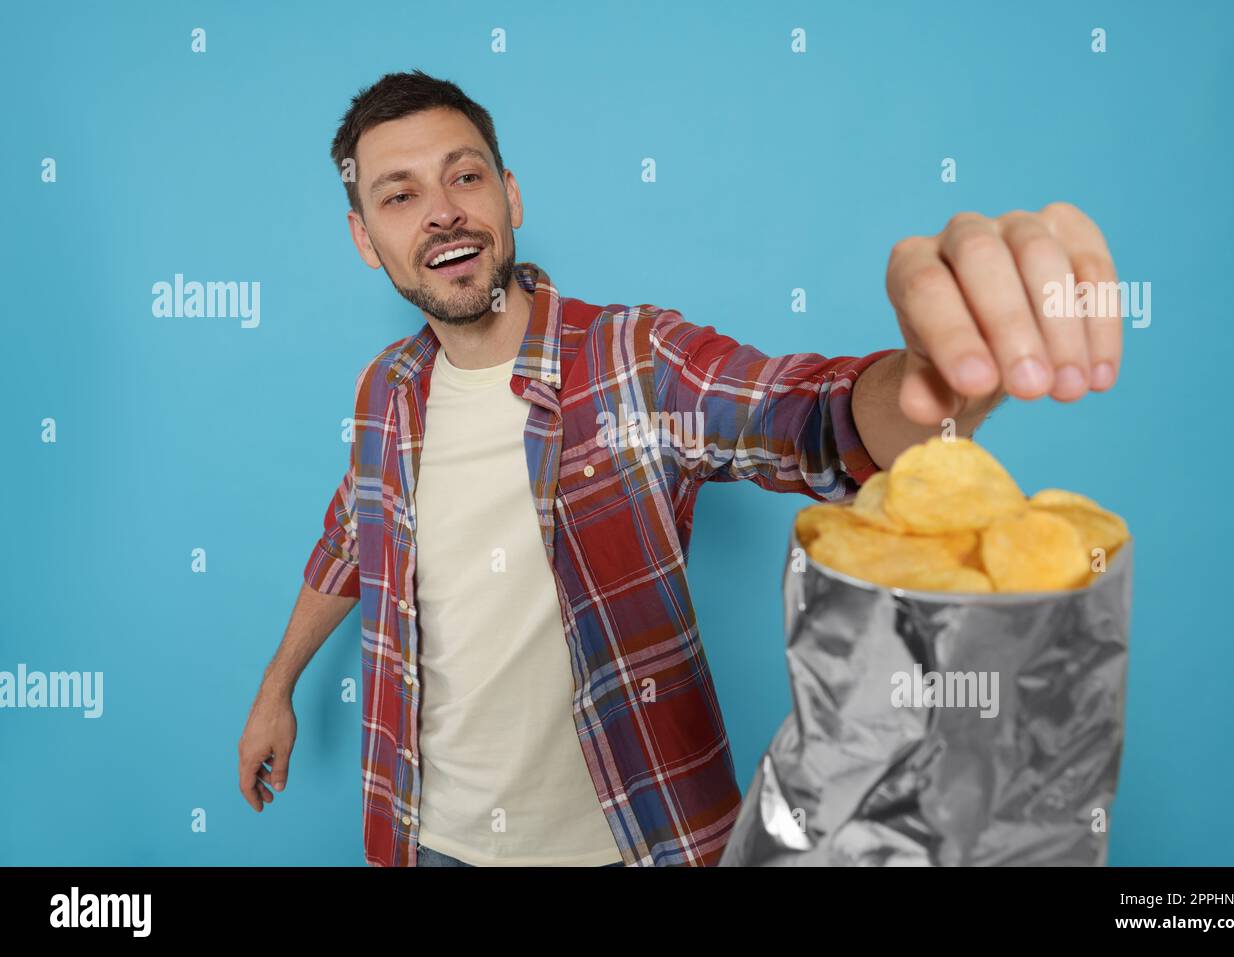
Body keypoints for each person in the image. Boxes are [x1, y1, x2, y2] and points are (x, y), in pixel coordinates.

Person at [236, 70, 1123, 867]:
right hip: (423, 836)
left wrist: (935, 382)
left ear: (509, 195)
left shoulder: (636, 358)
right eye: (400, 195)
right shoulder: (384, 390)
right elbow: (350, 540)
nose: (442, 211)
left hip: (633, 843)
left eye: (465, 177)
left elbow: (816, 420)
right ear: (365, 237)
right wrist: (277, 686)